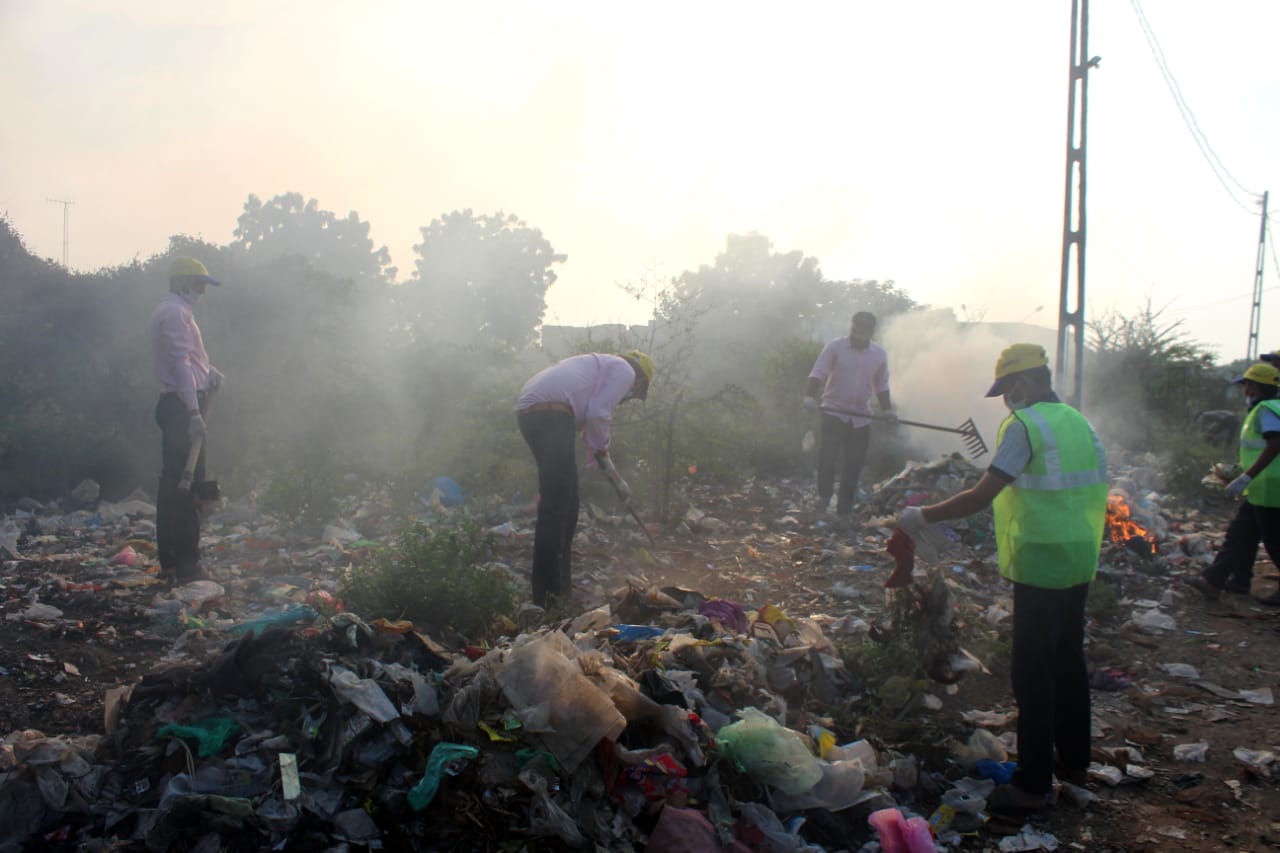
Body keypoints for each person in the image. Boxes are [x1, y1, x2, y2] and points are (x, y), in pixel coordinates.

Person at [896, 343, 1107, 812]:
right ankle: (1074, 763)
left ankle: (1032, 785)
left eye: (1008, 389)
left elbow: (982, 494)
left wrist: (921, 515)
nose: (1007, 400)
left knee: (1032, 672)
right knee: (1069, 662)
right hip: (1079, 557)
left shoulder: (1025, 426)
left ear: (1023, 382)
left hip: (1041, 561)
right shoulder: (1079, 422)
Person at [516, 350, 655, 607]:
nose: (630, 396)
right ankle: (548, 598)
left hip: (530, 413)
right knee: (557, 507)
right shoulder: (625, 370)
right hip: (552, 414)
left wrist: (610, 470)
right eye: (636, 392)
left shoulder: (599, 368)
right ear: (639, 381)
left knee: (568, 505)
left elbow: (589, 428)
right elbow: (598, 415)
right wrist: (607, 461)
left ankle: (561, 588)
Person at [149, 256, 225, 583]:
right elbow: (180, 365)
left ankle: (170, 562)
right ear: (181, 283)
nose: (201, 292)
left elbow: (190, 362)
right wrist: (194, 412)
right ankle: (188, 565)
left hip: (179, 403)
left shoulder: (175, 312)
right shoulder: (175, 313)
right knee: (187, 488)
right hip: (182, 407)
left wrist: (209, 373)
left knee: (173, 486)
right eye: (197, 285)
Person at [1186, 362, 1280, 605]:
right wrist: (1235, 471)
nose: (1244, 391)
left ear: (1254, 387)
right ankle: (1221, 581)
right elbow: (1258, 451)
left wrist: (1247, 477)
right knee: (1240, 534)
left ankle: (1217, 580)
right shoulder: (1271, 408)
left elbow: (1276, 443)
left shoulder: (1266, 411)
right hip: (1264, 486)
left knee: (1274, 540)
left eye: (1246, 385)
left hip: (1271, 487)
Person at [803, 311, 895, 523]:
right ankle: (824, 500)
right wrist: (809, 396)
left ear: (871, 333)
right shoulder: (836, 347)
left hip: (861, 418)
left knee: (854, 465)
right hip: (833, 412)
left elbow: (881, 385)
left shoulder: (879, 355)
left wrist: (888, 410)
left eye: (862, 333)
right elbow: (818, 372)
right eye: (854, 330)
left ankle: (843, 511)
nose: (856, 335)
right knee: (827, 459)